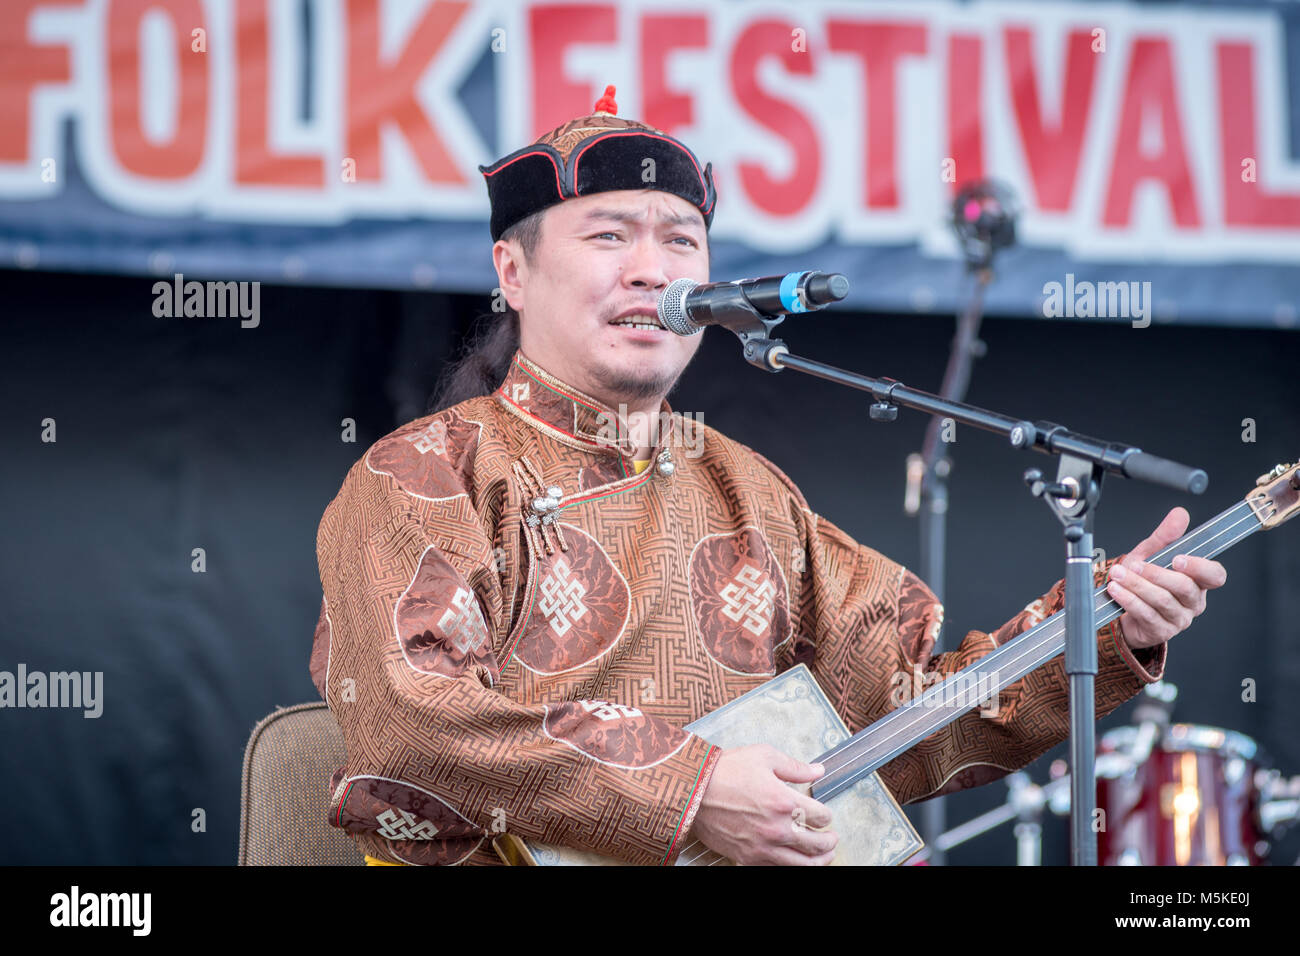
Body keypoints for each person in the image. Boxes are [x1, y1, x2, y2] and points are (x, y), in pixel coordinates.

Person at [309, 88, 1226, 866]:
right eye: (608, 236)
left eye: (680, 241)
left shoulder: (750, 492)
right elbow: (410, 723)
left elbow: (912, 716)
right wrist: (690, 789)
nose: (651, 270)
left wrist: (1100, 636)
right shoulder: (423, 475)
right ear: (511, 270)